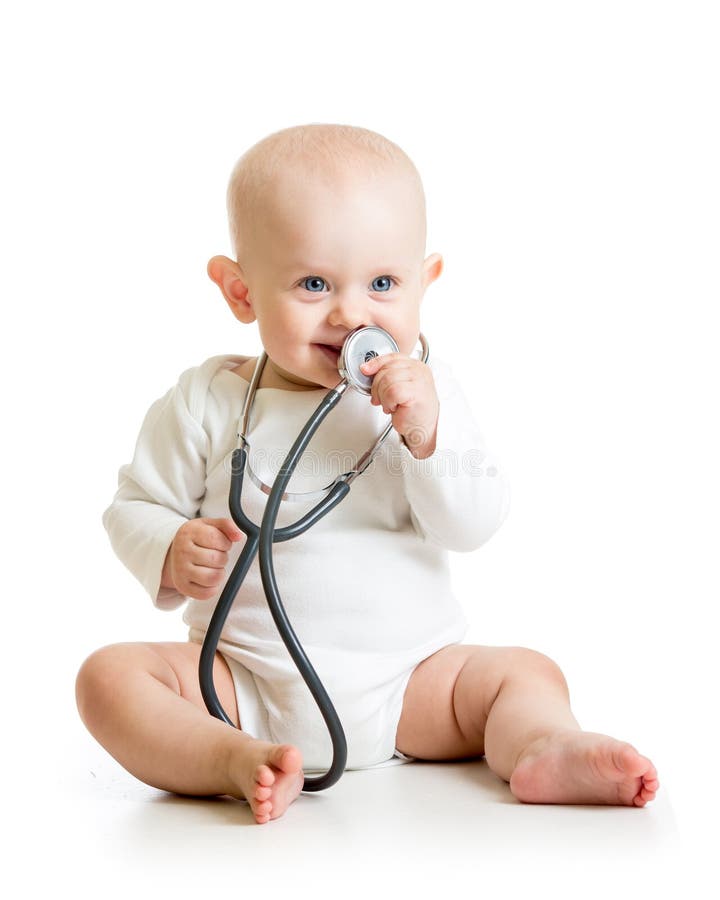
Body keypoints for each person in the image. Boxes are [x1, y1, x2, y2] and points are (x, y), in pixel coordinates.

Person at [76, 123, 659, 825]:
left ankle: (545, 745)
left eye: (383, 283)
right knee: (107, 679)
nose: (353, 312)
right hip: (242, 685)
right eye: (314, 282)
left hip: (412, 683)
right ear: (240, 292)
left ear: (425, 281)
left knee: (524, 673)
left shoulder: (426, 396)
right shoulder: (211, 400)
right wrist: (168, 549)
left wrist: (426, 436)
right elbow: (134, 505)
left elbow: (471, 526)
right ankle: (228, 758)